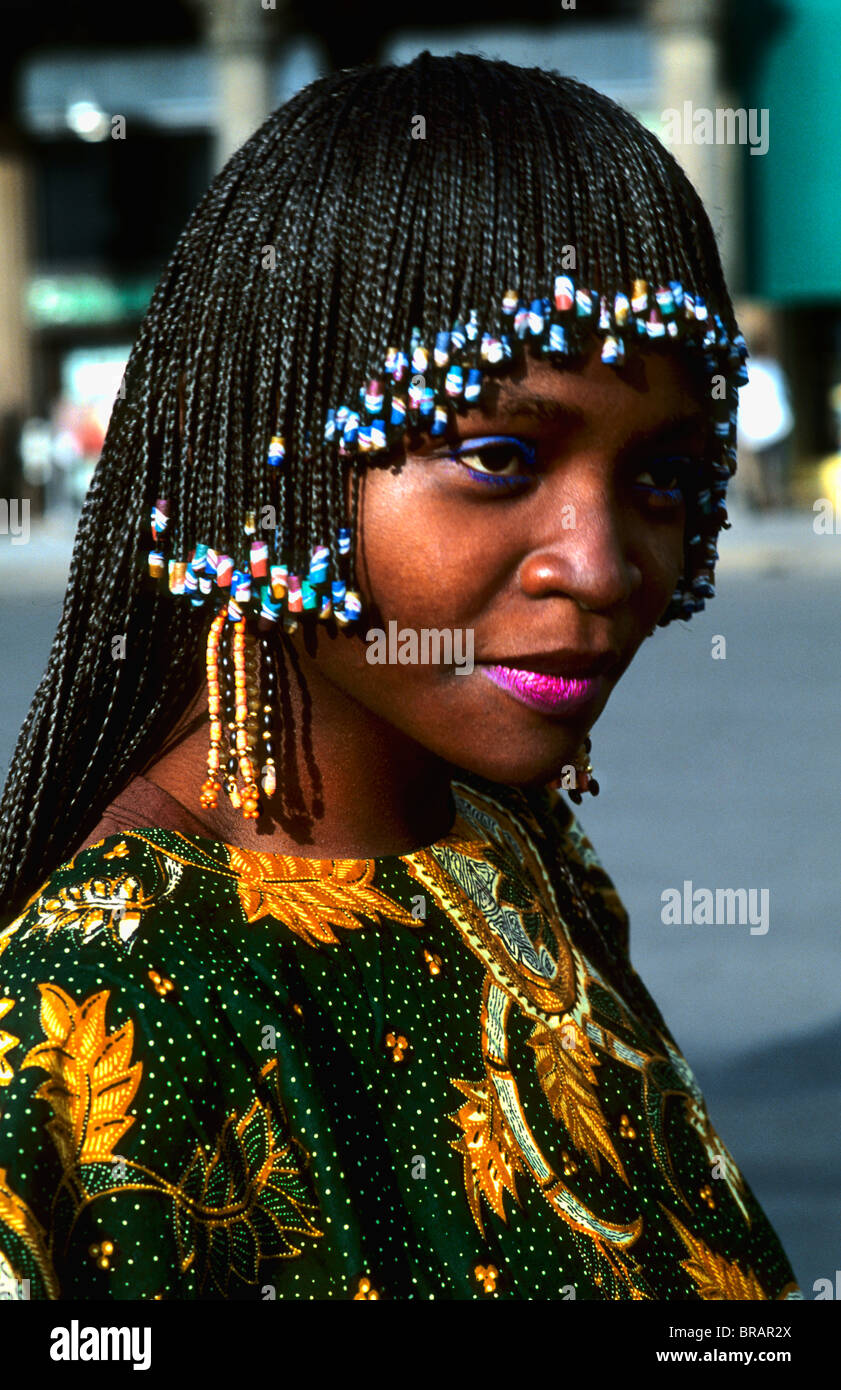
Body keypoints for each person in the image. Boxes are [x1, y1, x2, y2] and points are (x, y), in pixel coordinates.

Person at [0, 54, 800, 1301]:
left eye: (663, 475)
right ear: (257, 469)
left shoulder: (514, 850)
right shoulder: (94, 1016)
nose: (600, 567)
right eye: (496, 455)